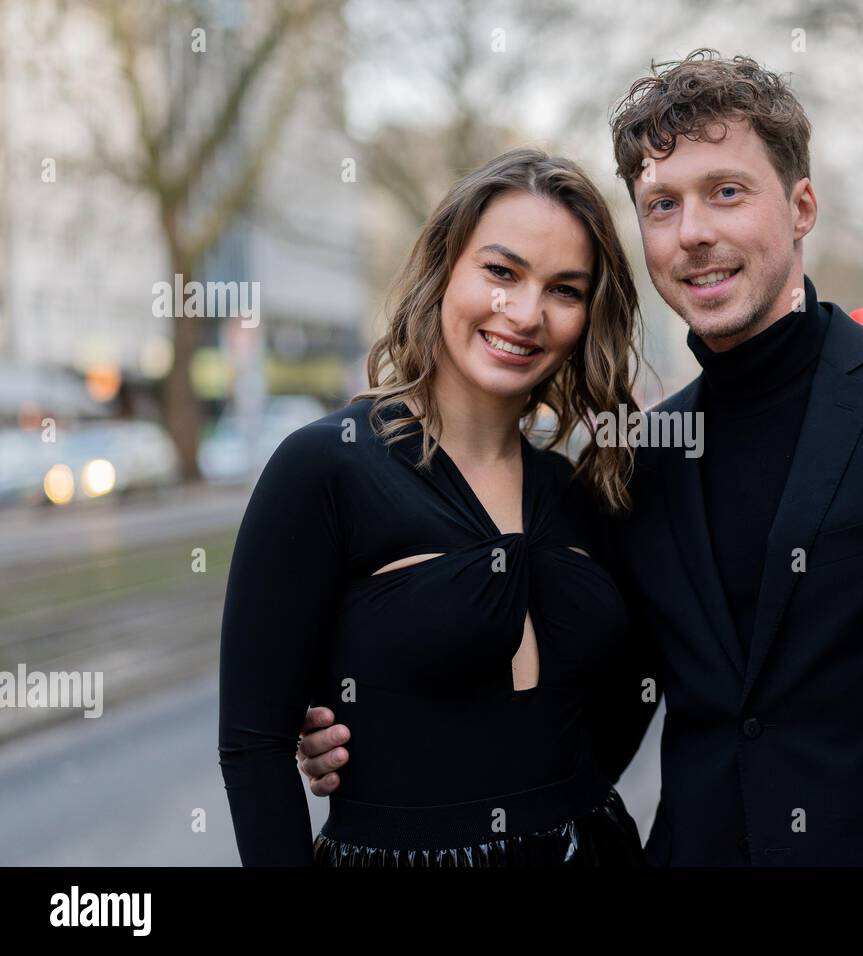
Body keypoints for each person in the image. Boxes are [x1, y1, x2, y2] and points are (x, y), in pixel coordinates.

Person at [297, 50, 863, 866]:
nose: (694, 233)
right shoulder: (641, 458)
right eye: (661, 205)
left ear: (801, 207)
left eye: (726, 193)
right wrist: (373, 738)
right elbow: (580, 717)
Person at [217, 147, 648, 867]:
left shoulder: (585, 491)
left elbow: (633, 693)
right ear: (447, 267)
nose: (526, 312)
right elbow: (253, 748)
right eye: (502, 272)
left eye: (565, 289)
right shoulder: (326, 467)